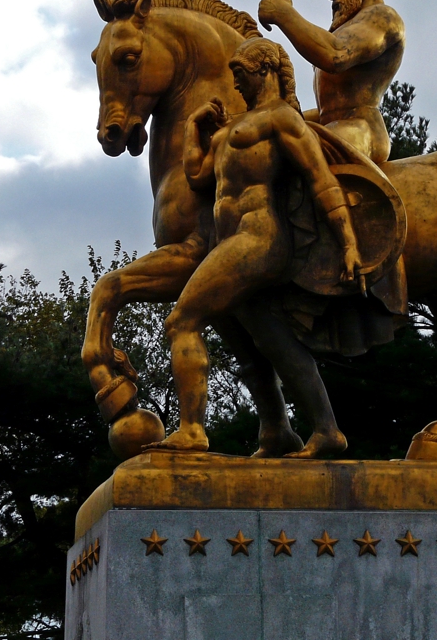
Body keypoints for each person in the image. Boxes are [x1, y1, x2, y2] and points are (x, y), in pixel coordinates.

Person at [153, 38, 363, 457]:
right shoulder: (231, 128)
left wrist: (349, 242)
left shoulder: (282, 119)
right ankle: (324, 430)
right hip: (232, 243)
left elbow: (321, 179)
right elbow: (196, 176)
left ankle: (192, 430)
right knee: (275, 344)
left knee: (182, 320)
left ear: (265, 69)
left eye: (241, 74)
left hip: (260, 238)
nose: (236, 84)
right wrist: (195, 125)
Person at [258, 0, 404, 165]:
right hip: (333, 127)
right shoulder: (345, 28)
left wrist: (283, 14)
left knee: (290, 155)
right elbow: (327, 111)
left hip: (362, 130)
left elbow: (336, 55)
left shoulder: (383, 17)